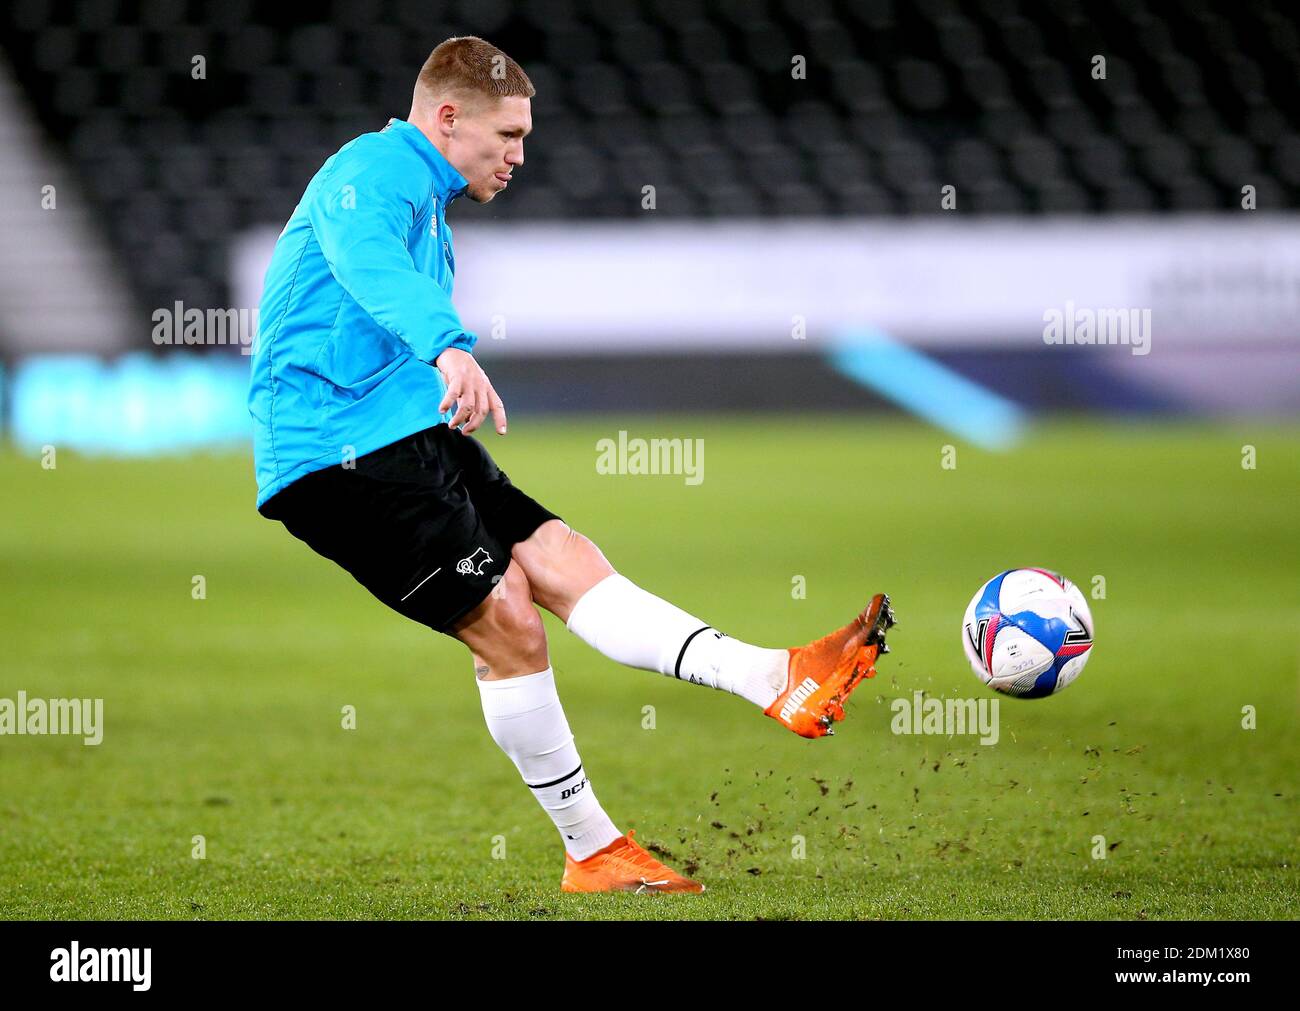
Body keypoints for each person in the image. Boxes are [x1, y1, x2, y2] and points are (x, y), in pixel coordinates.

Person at [248, 35, 894, 894]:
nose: (518, 156)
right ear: (446, 119)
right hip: (334, 455)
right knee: (508, 617)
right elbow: (366, 262)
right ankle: (591, 847)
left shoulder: (427, 205)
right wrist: (447, 348)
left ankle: (775, 677)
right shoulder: (373, 169)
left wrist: (434, 368)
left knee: (564, 556)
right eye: (506, 136)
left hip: (401, 434)